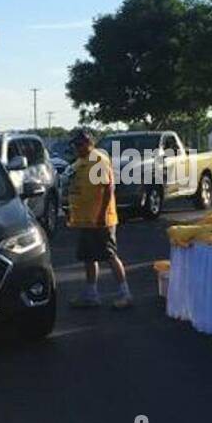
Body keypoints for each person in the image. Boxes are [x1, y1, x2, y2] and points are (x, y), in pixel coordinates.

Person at [65, 126, 132, 309]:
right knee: (88, 257)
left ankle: (124, 293)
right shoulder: (80, 162)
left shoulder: (98, 160)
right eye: (75, 145)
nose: (77, 147)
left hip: (100, 219)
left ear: (90, 143)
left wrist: (102, 214)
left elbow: (109, 188)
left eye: (80, 144)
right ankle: (91, 294)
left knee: (109, 255)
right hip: (85, 219)